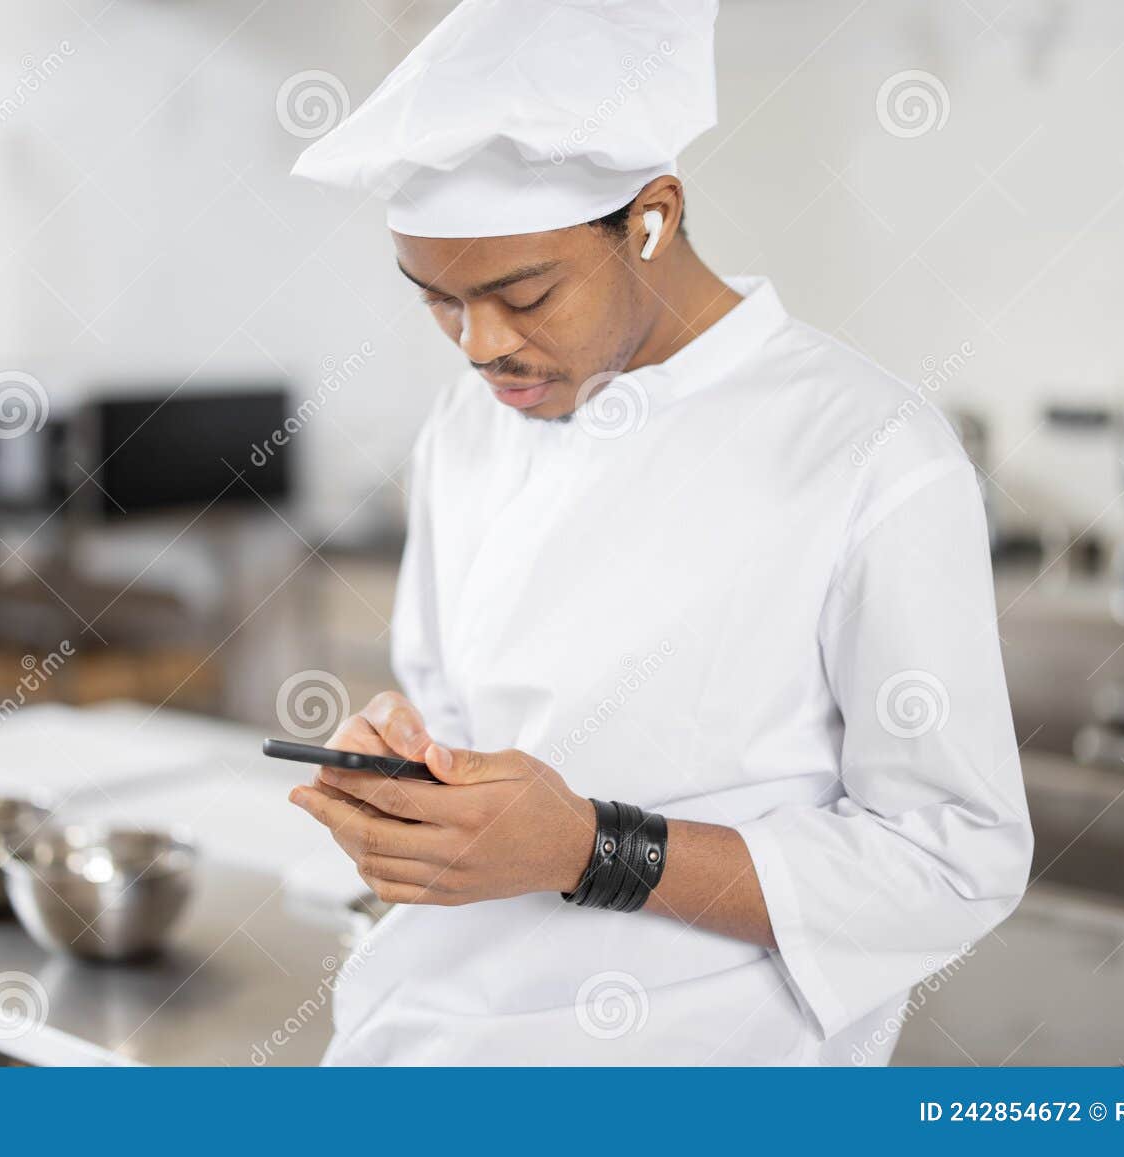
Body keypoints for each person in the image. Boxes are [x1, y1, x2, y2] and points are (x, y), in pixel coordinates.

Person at [288, 0, 1032, 1065]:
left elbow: (950, 862)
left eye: (522, 293)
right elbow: (455, 714)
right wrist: (408, 783)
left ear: (651, 217)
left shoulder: (870, 450)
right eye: (438, 301)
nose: (480, 345)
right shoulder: (467, 426)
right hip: (431, 1047)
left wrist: (596, 849)